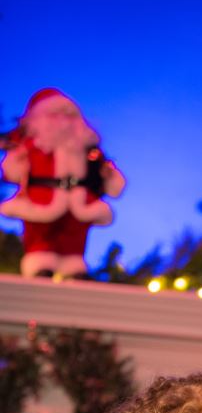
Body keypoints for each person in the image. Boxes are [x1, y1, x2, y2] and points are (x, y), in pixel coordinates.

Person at [0, 88, 125, 277]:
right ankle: (40, 264)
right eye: (54, 115)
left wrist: (109, 175)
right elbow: (12, 171)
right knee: (40, 235)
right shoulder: (31, 147)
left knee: (74, 236)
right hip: (42, 198)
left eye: (68, 115)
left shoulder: (87, 149)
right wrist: (17, 158)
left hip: (79, 200)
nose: (62, 121)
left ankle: (74, 266)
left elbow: (106, 174)